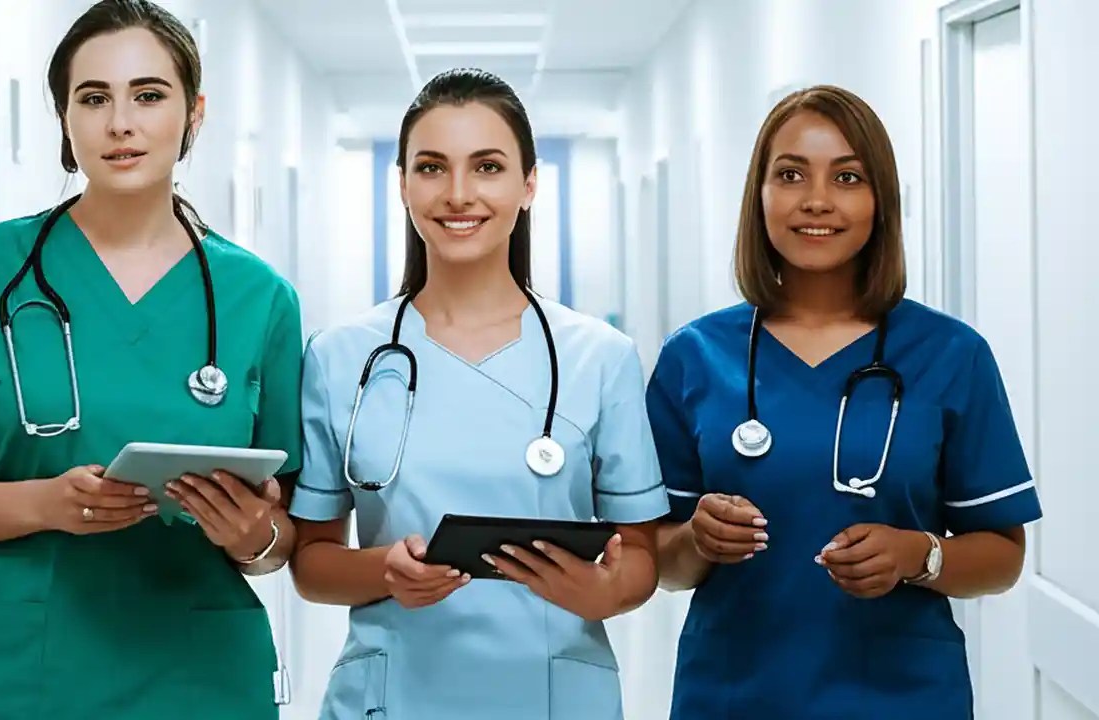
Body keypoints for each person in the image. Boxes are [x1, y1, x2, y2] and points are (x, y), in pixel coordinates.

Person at [0, 2, 301, 717]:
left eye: (148, 95)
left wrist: (256, 538)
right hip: (23, 673)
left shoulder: (260, 298)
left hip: (198, 677)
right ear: (65, 119)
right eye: (93, 98)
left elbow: (286, 535)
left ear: (193, 114)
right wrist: (44, 503)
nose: (120, 122)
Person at [648, 84, 1042, 719]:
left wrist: (920, 554)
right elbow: (661, 561)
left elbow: (1002, 555)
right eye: (791, 174)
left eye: (848, 176)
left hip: (903, 698)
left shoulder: (950, 354)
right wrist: (697, 539)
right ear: (760, 195)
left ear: (880, 198)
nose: (817, 201)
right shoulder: (695, 355)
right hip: (732, 693)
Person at [287, 67, 670, 720]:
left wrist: (600, 592)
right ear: (402, 183)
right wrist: (386, 570)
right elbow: (311, 562)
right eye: (432, 168)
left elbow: (642, 557)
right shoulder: (341, 357)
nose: (458, 194)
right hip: (392, 695)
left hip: (551, 695)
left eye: (487, 167)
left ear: (529, 185)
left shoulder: (598, 359)